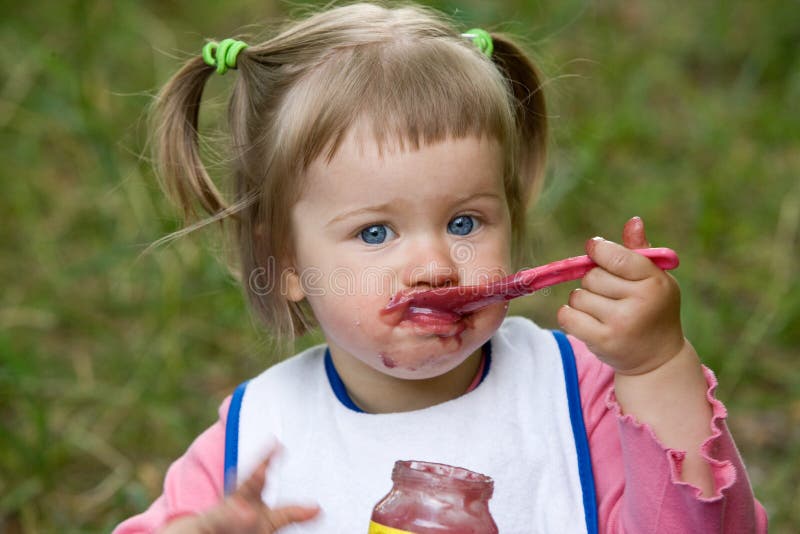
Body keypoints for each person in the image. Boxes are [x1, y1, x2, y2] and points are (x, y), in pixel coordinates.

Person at [115, 2, 767, 532]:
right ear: (285, 261)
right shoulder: (260, 435)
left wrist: (656, 367)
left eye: (464, 223)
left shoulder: (579, 392)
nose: (432, 265)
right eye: (375, 232)